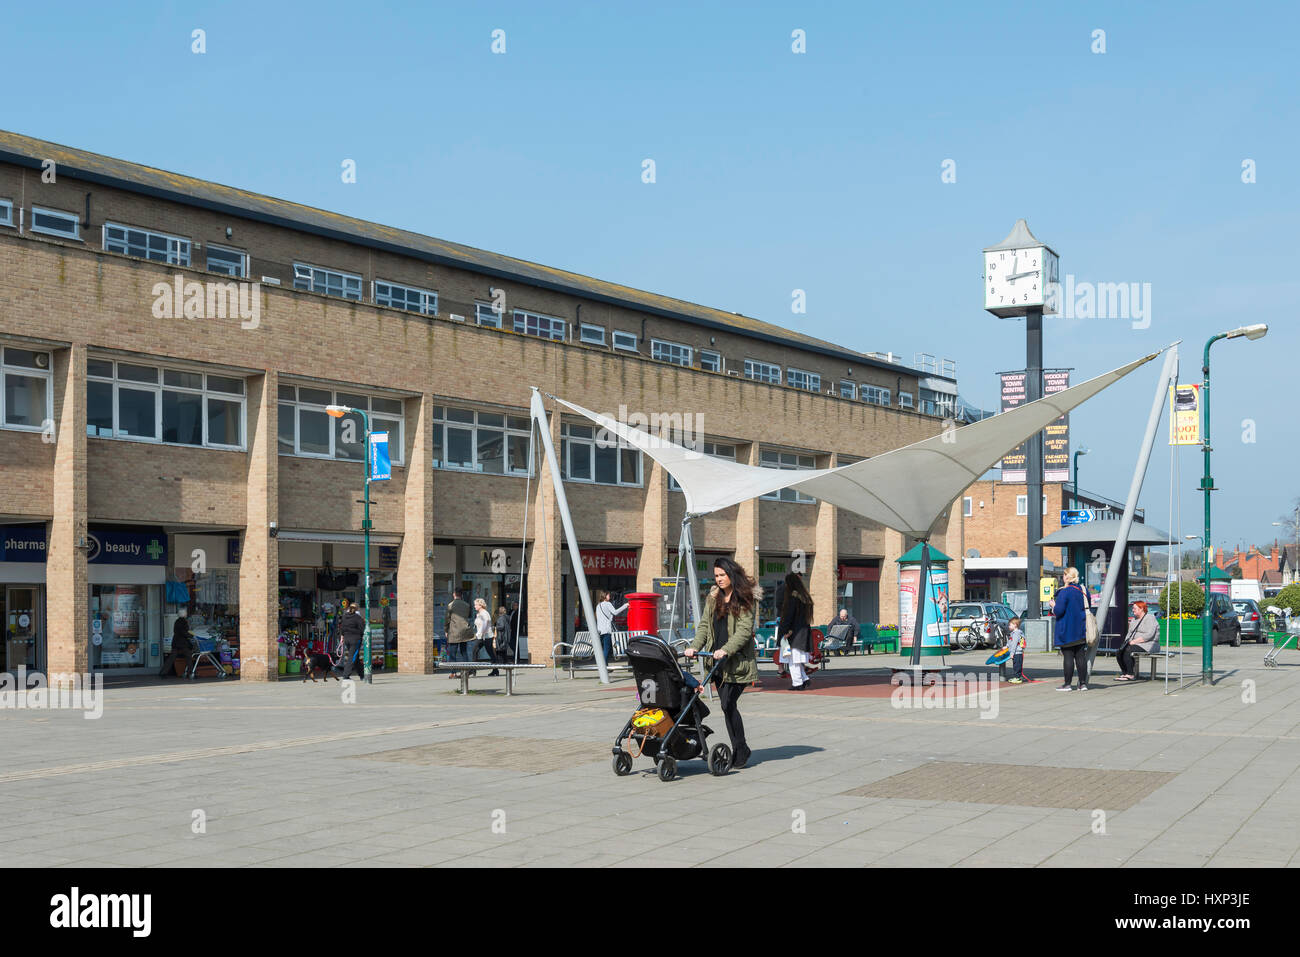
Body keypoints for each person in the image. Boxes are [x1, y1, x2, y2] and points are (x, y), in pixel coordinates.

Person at [685, 557, 759, 769]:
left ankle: (741, 749)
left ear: (731, 574)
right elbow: (704, 626)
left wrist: (726, 649)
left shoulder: (745, 598)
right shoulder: (713, 597)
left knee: (728, 704)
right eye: (716, 575)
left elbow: (744, 630)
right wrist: (695, 647)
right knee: (727, 707)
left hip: (737, 662)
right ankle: (739, 748)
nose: (718, 579)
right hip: (716, 662)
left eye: (722, 575)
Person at [1052, 567, 1090, 691]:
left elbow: (1059, 611)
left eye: (1064, 575)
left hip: (1067, 629)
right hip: (1081, 628)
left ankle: (1067, 684)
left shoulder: (1065, 592)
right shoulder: (1083, 590)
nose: (1063, 577)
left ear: (1067, 577)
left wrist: (1053, 606)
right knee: (1080, 656)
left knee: (1068, 656)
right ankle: (1082, 684)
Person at [778, 572, 815, 690]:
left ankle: (797, 683)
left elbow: (788, 617)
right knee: (797, 659)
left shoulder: (793, 598)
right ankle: (804, 679)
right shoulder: (804, 597)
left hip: (793, 633)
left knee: (793, 660)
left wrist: (784, 631)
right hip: (803, 632)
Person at [1117, 601, 1160, 681]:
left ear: (1141, 609)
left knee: (1128, 650)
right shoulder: (1134, 619)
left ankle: (1130, 674)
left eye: (1134, 608)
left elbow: (1149, 634)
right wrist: (1126, 642)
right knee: (1119, 651)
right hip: (1134, 644)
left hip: (1149, 645)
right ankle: (1125, 673)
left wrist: (1134, 641)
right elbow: (1129, 634)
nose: (1132, 610)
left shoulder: (1150, 618)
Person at [445, 590, 474, 678]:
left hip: (454, 631)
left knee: (452, 653)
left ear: (454, 594)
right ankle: (466, 671)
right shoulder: (467, 605)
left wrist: (446, 630)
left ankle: (453, 672)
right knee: (464, 652)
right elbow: (468, 616)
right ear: (461, 595)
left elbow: (447, 619)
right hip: (464, 631)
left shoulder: (451, 605)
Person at [595, 590, 629, 664]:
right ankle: (604, 666)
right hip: (606, 630)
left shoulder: (598, 605)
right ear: (605, 596)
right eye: (608, 595)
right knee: (606, 649)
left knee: (602, 648)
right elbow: (615, 612)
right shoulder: (608, 604)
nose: (609, 596)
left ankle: (603, 665)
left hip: (599, 630)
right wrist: (625, 606)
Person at [336, 599, 365, 679]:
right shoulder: (357, 617)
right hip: (355, 640)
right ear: (357, 609)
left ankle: (362, 675)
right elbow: (362, 628)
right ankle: (346, 675)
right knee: (352, 657)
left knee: (355, 657)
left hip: (347, 639)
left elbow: (342, 627)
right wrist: (363, 636)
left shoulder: (345, 616)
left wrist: (342, 637)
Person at [470, 598, 493, 671]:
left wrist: (479, 633)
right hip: (482, 637)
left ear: (481, 605)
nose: (474, 606)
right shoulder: (479, 614)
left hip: (486, 636)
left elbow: (485, 624)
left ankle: (495, 669)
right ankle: (473, 669)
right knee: (475, 651)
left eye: (476, 605)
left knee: (490, 652)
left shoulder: (484, 613)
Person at [1006, 616, 1029, 683]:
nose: (1009, 626)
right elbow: (1011, 641)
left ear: (1015, 625)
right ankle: (1018, 677)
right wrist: (1007, 646)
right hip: (1016, 652)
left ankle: (1017, 678)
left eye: (1010, 625)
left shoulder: (1016, 633)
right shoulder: (1014, 633)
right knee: (1016, 665)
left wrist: (1012, 653)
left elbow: (1014, 644)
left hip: (1017, 652)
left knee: (1017, 666)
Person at [494, 605, 513, 670]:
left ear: (500, 612)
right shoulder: (507, 617)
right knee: (504, 651)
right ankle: (505, 664)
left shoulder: (501, 618)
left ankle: (501, 664)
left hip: (501, 636)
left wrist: (494, 627)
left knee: (499, 651)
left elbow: (501, 626)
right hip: (505, 636)